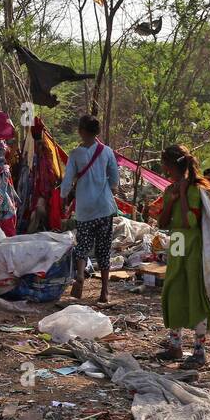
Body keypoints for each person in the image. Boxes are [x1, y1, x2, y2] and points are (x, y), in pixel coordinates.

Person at [156, 144, 210, 368]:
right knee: (174, 290)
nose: (163, 168)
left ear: (171, 165)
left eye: (164, 164)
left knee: (195, 292)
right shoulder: (168, 190)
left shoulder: (198, 190)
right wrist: (170, 200)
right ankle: (175, 345)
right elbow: (162, 223)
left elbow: (191, 221)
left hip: (194, 242)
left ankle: (199, 351)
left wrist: (181, 196)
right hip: (178, 240)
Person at [60, 115, 120, 302]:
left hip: (85, 210)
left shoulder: (76, 154)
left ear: (81, 131)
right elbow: (115, 180)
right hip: (104, 208)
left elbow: (68, 181)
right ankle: (104, 291)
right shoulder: (107, 151)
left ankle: (79, 275)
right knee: (103, 249)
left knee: (83, 246)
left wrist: (63, 198)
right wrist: (105, 189)